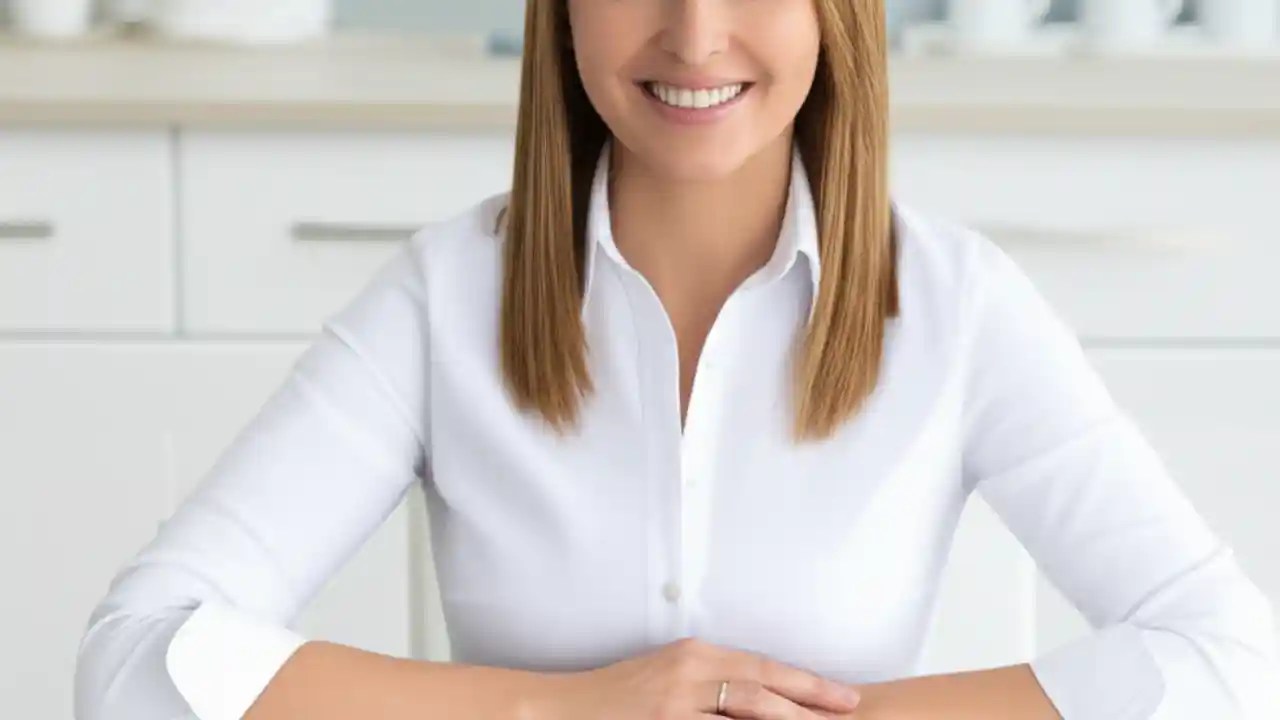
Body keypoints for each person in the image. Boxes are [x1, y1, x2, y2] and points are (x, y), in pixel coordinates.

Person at [74, 1, 1279, 719]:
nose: (694, 34)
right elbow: (137, 663)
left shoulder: (955, 307)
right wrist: (568, 708)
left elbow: (1228, 662)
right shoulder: (445, 297)